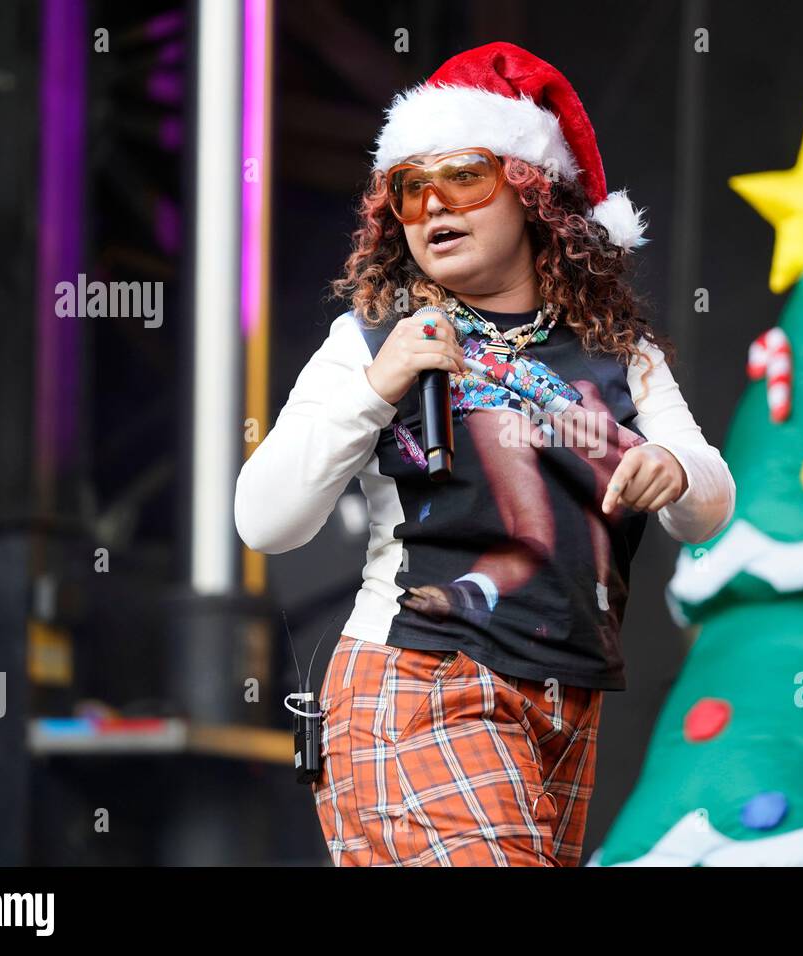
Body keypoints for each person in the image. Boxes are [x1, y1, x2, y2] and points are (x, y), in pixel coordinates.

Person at [234, 41, 735, 866]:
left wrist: (676, 471)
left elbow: (711, 502)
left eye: (464, 176)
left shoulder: (620, 351)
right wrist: (379, 383)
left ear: (533, 191)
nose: (434, 206)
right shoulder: (371, 339)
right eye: (410, 188)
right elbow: (264, 518)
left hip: (568, 703)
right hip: (420, 681)